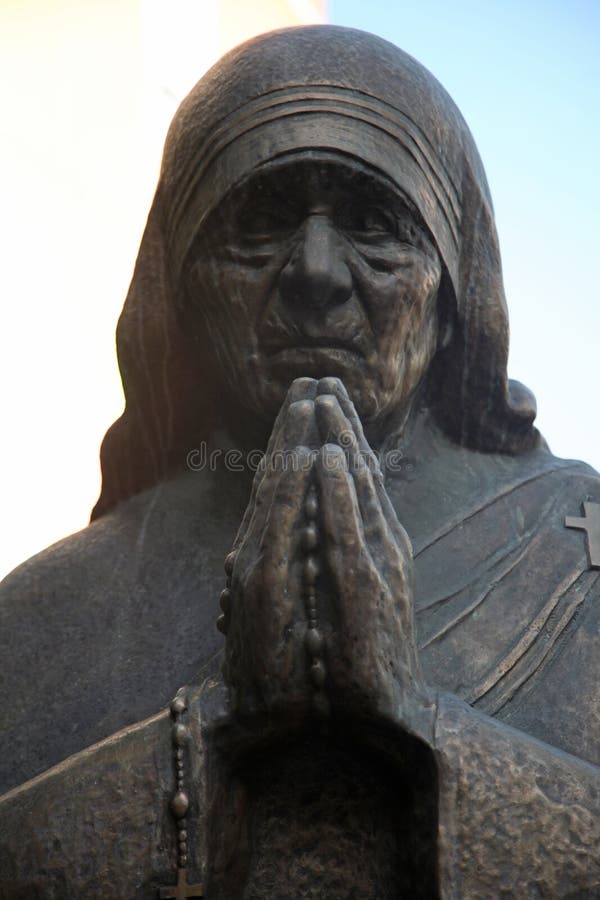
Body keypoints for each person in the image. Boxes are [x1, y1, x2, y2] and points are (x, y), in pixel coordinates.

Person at [0, 25, 598, 898]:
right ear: (183, 281)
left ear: (453, 289)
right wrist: (214, 737)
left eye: (377, 225)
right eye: (260, 224)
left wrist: (417, 728)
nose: (316, 272)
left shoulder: (578, 555)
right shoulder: (42, 620)